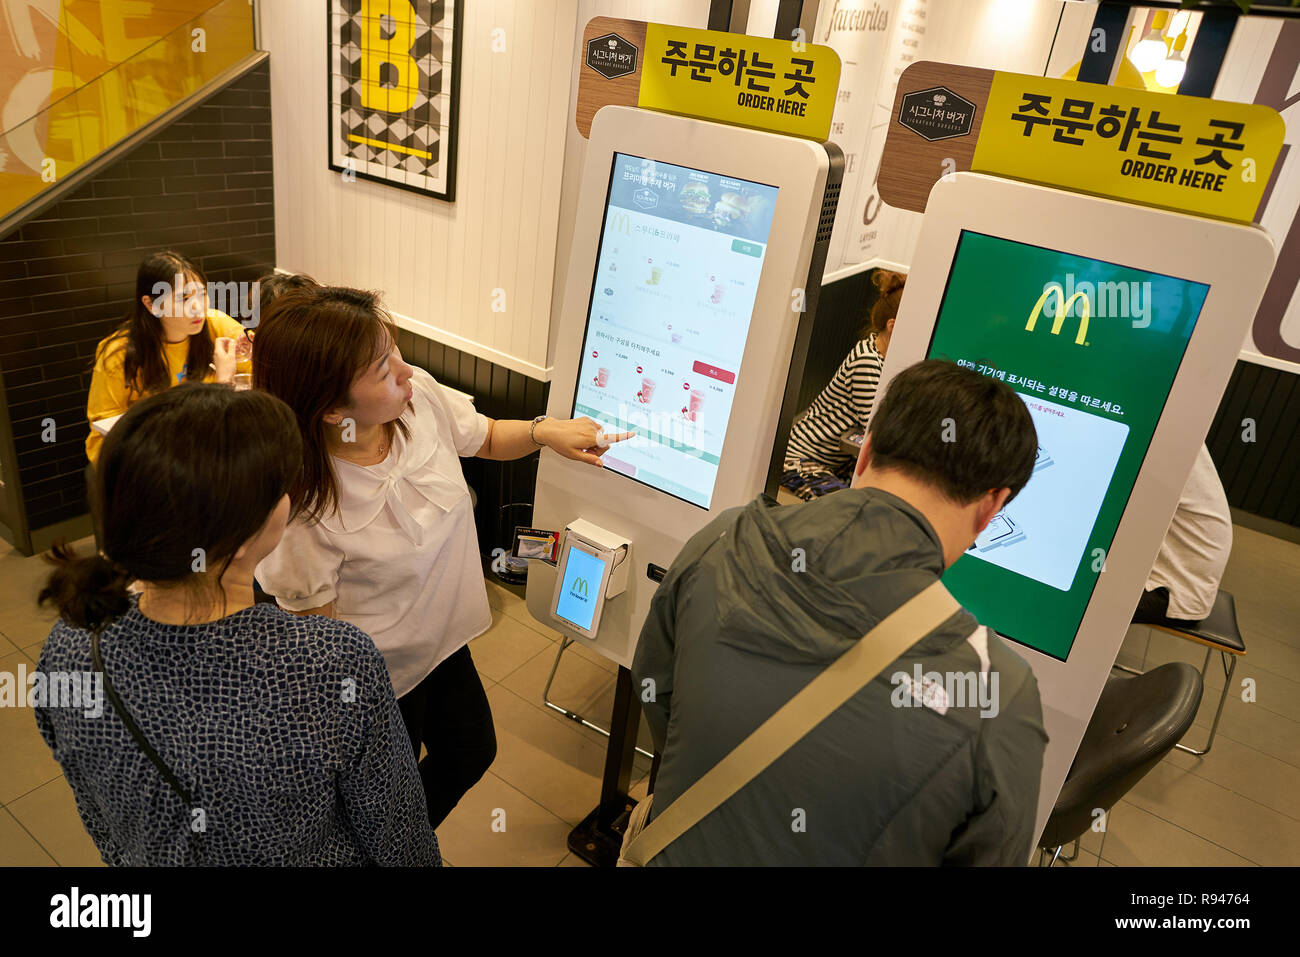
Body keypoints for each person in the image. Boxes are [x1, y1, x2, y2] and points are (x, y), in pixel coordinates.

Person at [633, 359, 1048, 865]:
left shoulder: (722, 537)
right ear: (993, 505)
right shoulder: (997, 692)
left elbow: (655, 685)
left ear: (866, 450)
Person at [252, 286, 630, 829]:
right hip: (376, 682)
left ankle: (401, 848)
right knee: (380, 807)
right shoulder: (303, 507)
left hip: (442, 645)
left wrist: (546, 433)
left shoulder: (419, 400)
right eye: (384, 370)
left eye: (397, 351)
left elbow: (488, 436)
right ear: (333, 409)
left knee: (470, 751)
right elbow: (322, 643)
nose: (407, 372)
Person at [36, 384, 436, 866]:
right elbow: (398, 832)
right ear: (248, 534)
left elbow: (100, 814)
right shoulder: (328, 663)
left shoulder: (71, 644)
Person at [85, 251, 252, 465]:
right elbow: (104, 430)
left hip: (204, 449)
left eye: (202, 294)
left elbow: (258, 379)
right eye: (184, 298)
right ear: (150, 304)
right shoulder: (119, 354)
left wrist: (252, 351)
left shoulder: (216, 325)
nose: (198, 307)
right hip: (147, 459)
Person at [782, 269, 906, 500]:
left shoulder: (878, 355)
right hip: (800, 460)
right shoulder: (867, 362)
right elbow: (878, 426)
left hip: (833, 462)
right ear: (893, 326)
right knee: (848, 508)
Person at [1133, 443, 1233, 626]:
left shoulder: (1169, 444)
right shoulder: (1184, 438)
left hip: (1175, 592)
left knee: (1085, 600)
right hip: (1184, 583)